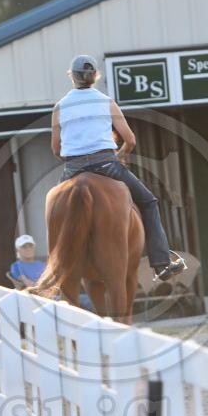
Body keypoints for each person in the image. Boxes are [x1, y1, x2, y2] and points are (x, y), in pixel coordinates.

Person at [51, 54, 186, 282]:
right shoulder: (106, 102)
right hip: (107, 164)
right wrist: (120, 156)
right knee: (149, 202)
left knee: (56, 213)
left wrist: (72, 161)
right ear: (95, 76)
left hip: (73, 167)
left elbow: (56, 148)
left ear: (72, 76)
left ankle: (55, 270)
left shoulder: (60, 107)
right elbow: (130, 140)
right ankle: (161, 264)